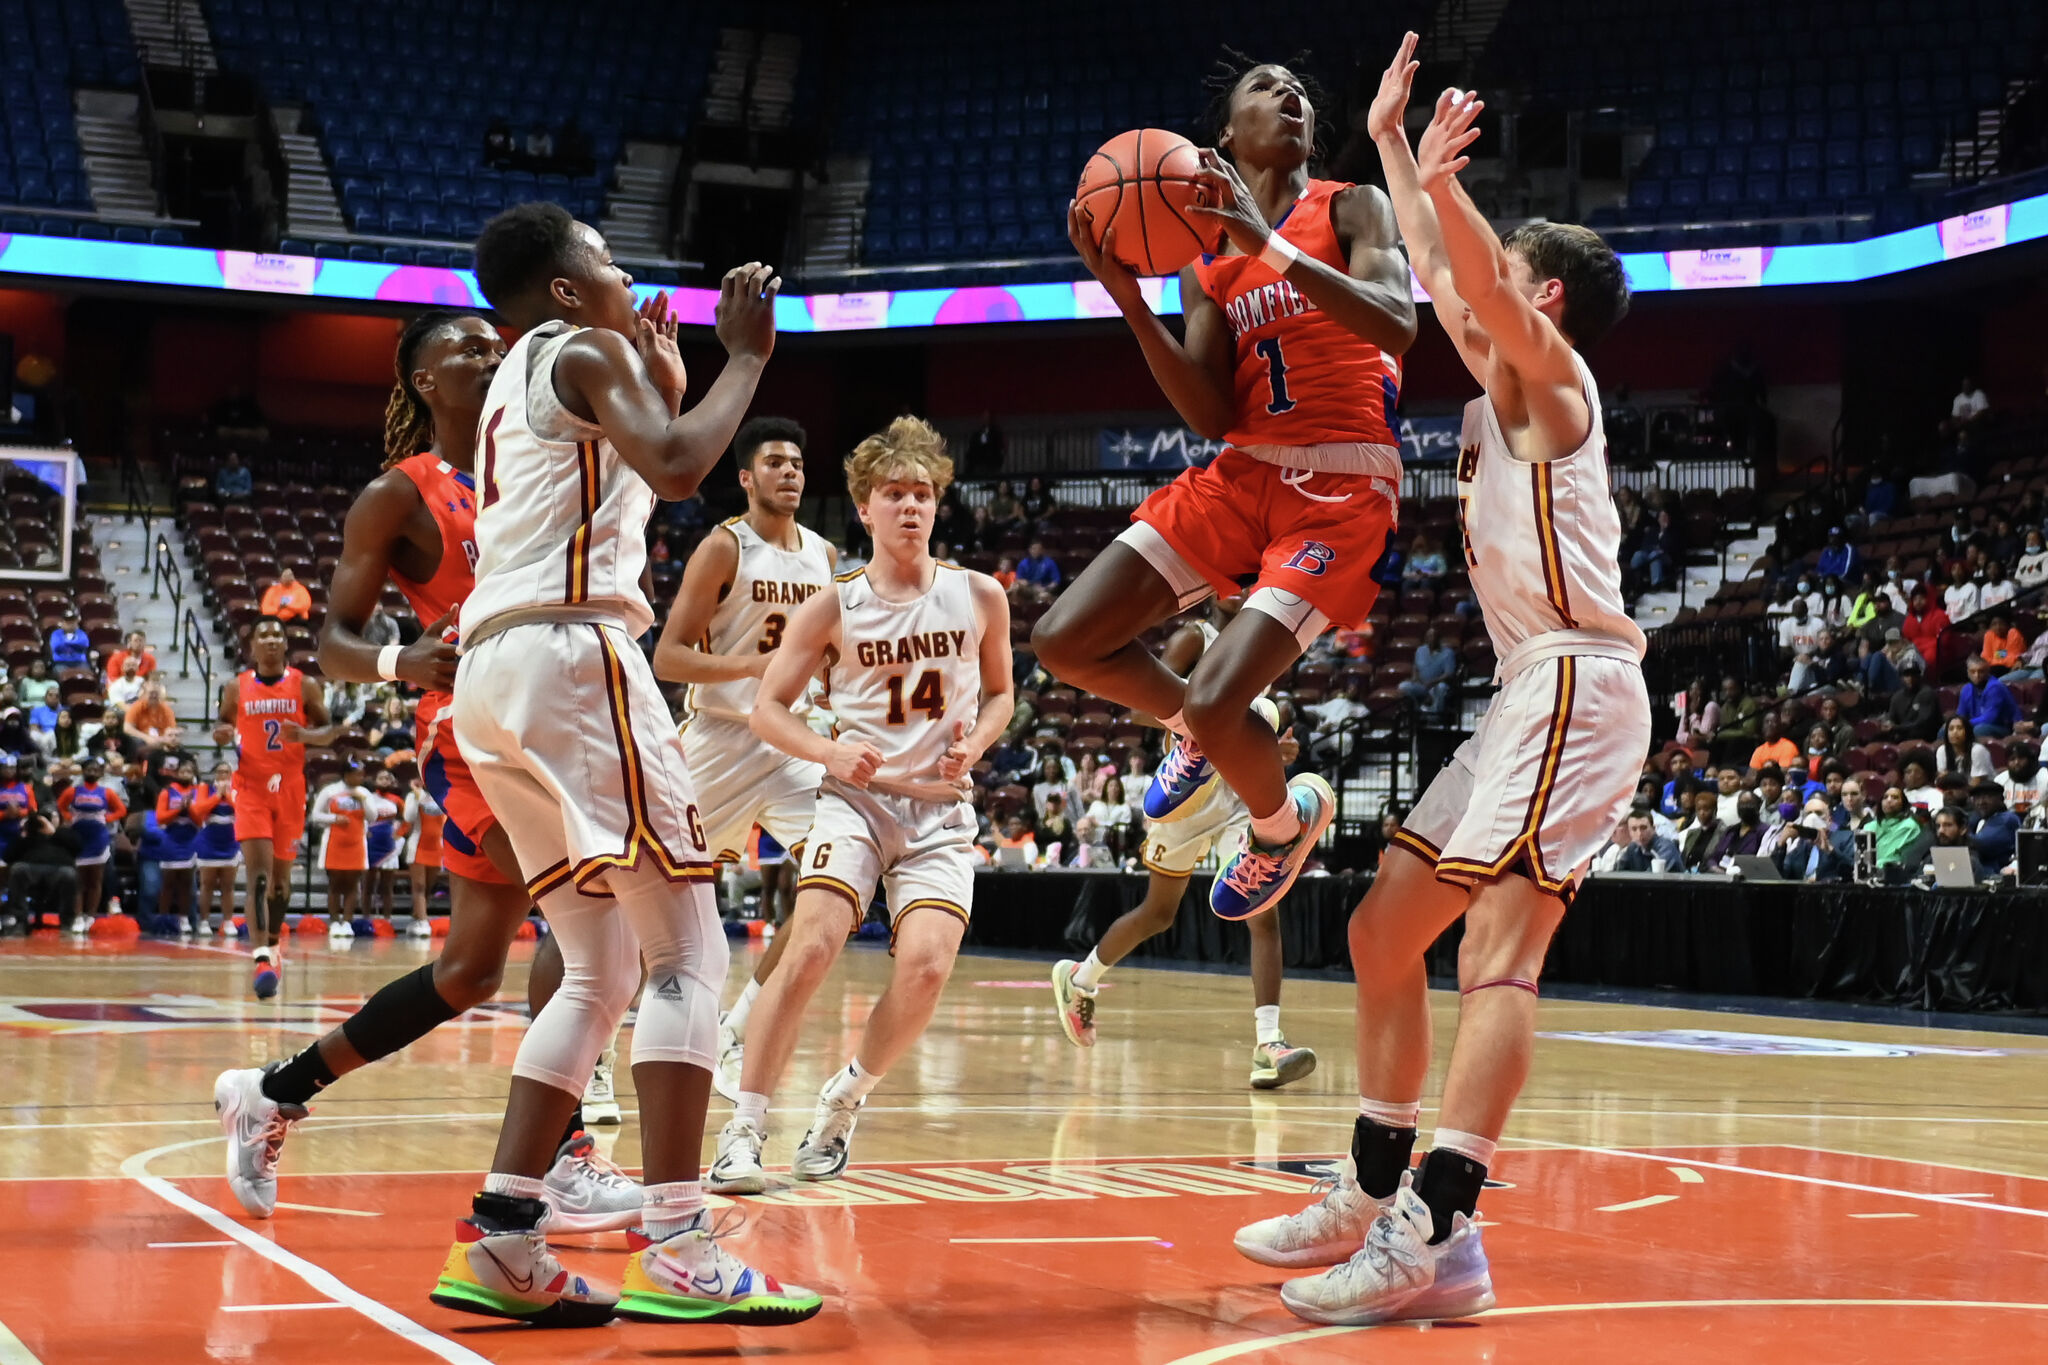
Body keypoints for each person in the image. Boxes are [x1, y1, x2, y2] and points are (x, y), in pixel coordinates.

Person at [1238, 44, 1648, 1326]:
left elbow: (1462, 272)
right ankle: (1369, 1188)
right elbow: (1437, 265)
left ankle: (1438, 1234)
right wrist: (1388, 143)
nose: (1472, 303)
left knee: (1498, 955)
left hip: (1580, 682)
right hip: (1527, 691)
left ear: (1549, 303)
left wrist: (1444, 189)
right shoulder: (1498, 386)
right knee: (1378, 932)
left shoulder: (1552, 381)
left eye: (1508, 287)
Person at [432, 204, 815, 1326]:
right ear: (561, 288)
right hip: (571, 652)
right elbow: (688, 462)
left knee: (594, 967)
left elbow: (629, 478)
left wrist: (666, 372)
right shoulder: (585, 350)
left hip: (493, 678)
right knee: (686, 950)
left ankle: (505, 1238)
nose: (620, 270)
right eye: (600, 258)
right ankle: (681, 1243)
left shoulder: (517, 380)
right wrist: (743, 359)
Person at [214, 308, 620, 1239]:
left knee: (471, 971)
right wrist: (402, 663)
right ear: (423, 383)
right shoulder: (399, 494)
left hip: (557, 720)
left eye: (496, 343)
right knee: (581, 916)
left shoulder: (544, 464)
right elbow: (334, 642)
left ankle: (274, 1091)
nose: (489, 354)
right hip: (474, 733)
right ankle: (564, 1159)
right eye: (465, 348)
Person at [1037, 52, 1417, 924]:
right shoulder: (1201, 263)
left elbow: (1399, 322)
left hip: (1342, 485)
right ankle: (1196, 735)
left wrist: (1269, 245)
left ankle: (1282, 827)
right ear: (1222, 138)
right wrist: (1129, 302)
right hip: (1243, 472)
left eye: (1299, 92)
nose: (1291, 97)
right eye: (1266, 87)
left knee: (1218, 699)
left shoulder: (1353, 206)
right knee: (1065, 639)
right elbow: (1211, 413)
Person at [707, 415, 1011, 1199]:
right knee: (809, 949)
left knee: (928, 968)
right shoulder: (832, 605)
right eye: (893, 493)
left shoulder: (979, 594)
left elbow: (1004, 694)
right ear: (865, 508)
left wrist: (974, 744)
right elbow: (769, 708)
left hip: (941, 810)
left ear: (938, 504)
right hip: (856, 801)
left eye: (923, 494)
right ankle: (743, 1126)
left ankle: (842, 1103)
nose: (910, 506)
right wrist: (829, 752)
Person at [650, 414, 835, 1104]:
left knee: (838, 882)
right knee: (655, 906)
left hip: (790, 743)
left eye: (798, 463)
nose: (790, 472)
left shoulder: (822, 554)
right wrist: (750, 664)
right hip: (719, 741)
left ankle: (737, 1026)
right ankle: (605, 1056)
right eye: (776, 462)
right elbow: (669, 655)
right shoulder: (724, 547)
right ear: (746, 477)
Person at [1054, 628, 1315, 1084]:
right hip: (1186, 796)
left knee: (1264, 911)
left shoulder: (1268, 639)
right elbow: (1140, 706)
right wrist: (1211, 717)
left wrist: (1273, 747)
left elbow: (1249, 723)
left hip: (1238, 793)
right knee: (1158, 914)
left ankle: (1268, 1043)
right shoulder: (1196, 637)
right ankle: (1081, 977)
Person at [212, 617, 339, 997]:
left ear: (285, 644)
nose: (270, 640)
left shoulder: (305, 685)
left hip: (290, 789)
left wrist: (308, 735)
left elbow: (330, 730)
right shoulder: (237, 687)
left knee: (281, 885)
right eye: (262, 634)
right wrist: (220, 733)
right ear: (252, 646)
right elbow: (223, 723)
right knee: (259, 877)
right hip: (251, 788)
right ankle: (261, 957)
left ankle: (272, 943)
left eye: (276, 635)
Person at [56, 757, 123, 926]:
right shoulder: (73, 791)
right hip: (79, 837)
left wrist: (108, 818)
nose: (92, 772)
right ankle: (78, 916)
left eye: (95, 770)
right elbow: (61, 805)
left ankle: (90, 916)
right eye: (88, 769)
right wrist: (70, 817)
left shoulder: (107, 792)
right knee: (79, 880)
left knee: (95, 879)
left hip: (98, 837)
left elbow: (121, 810)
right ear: (83, 771)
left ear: (100, 773)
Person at [155, 757, 202, 934]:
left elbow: (199, 819)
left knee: (187, 883)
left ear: (194, 774)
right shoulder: (167, 792)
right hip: (171, 839)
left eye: (189, 772)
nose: (185, 774)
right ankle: (163, 919)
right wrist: (178, 810)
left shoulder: (198, 792)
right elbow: (160, 817)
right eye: (182, 772)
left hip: (190, 840)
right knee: (167, 883)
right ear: (176, 774)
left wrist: (189, 808)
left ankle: (183, 919)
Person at [191, 759, 237, 934]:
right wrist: (217, 796)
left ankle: (228, 921)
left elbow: (242, 808)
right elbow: (198, 811)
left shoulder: (236, 791)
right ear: (215, 774)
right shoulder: (205, 789)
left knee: (228, 885)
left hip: (230, 842)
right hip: (208, 842)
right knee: (207, 884)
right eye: (220, 771)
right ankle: (204, 921)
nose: (223, 774)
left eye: (227, 771)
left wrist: (229, 795)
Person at [403, 778, 444, 934]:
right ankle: (423, 921)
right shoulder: (414, 796)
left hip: (437, 847)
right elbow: (409, 817)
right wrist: (417, 795)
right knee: (419, 886)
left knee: (428, 887)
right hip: (418, 846)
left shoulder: (442, 794)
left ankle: (416, 916)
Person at [1958, 655, 2020, 739]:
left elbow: (1990, 718)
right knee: (1945, 730)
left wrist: (1964, 724)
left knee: (1979, 730)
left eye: (1981, 671)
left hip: (2003, 727)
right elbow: (1961, 715)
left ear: (1988, 672)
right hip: (1976, 725)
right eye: (1973, 672)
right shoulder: (1966, 689)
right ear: (1968, 673)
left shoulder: (1995, 687)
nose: (1977, 675)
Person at [1400, 627, 1457, 714]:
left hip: (1436, 685)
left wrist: (1432, 682)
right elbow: (1416, 667)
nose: (1432, 639)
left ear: (1439, 638)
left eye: (1434, 636)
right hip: (1421, 684)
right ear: (1426, 638)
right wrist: (1415, 678)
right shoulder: (1420, 650)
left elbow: (1449, 674)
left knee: (1442, 687)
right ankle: (1417, 712)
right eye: (1429, 636)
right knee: (1403, 686)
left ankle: (1435, 716)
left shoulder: (1448, 653)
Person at [1967, 780, 2020, 870]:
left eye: (1988, 796)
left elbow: (1982, 843)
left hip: (1999, 876)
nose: (1981, 802)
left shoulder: (2007, 818)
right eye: (1977, 797)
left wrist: (1958, 833)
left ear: (2001, 799)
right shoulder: (1979, 818)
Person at [1609, 807, 1678, 872]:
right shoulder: (1632, 848)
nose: (1639, 833)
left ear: (1653, 829)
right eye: (1634, 829)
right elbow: (1617, 872)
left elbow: (1655, 879)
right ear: (1629, 832)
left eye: (1643, 828)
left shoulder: (1665, 847)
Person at [1935, 715, 1995, 780]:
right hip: (1955, 788)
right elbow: (1942, 778)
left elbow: (1977, 781)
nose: (1955, 732)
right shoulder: (1942, 751)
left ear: (1968, 732)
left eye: (1960, 728)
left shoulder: (1977, 750)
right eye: (1951, 729)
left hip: (1983, 788)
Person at [1996, 740, 2045, 817]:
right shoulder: (2000, 780)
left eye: (2021, 758)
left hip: (2038, 818)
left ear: (2030, 759)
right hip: (2009, 819)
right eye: (2012, 759)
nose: (2017, 762)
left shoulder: (2044, 776)